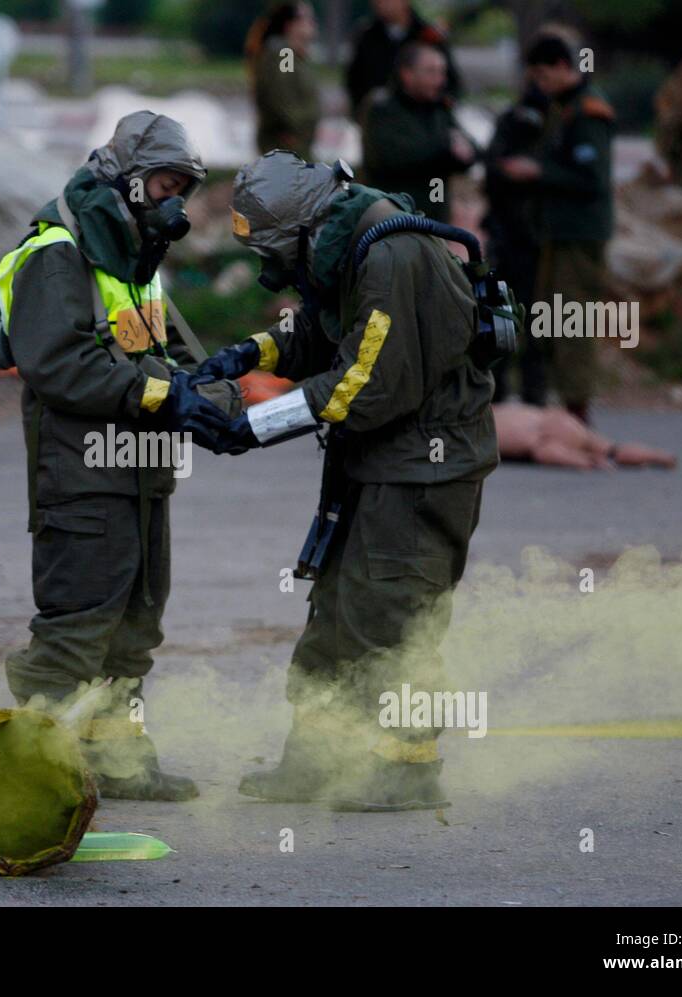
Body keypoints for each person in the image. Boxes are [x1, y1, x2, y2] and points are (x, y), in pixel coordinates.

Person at [196, 152, 496, 810]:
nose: (271, 269)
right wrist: (251, 354)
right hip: (378, 461)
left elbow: (369, 383)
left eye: (275, 251)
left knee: (392, 618)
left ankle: (408, 768)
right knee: (335, 615)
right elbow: (326, 330)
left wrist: (253, 424)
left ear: (305, 228)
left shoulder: (390, 256)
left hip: (422, 467)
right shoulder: (345, 244)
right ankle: (315, 762)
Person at [0, 111, 239, 801]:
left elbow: (168, 352)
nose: (175, 201)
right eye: (165, 183)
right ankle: (17, 776)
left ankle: (117, 759)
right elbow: (61, 365)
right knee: (75, 633)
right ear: (127, 178)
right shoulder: (59, 249)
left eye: (184, 188)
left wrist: (217, 396)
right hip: (82, 473)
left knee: (134, 628)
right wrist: (164, 396)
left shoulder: (133, 257)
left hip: (142, 474)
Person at [496, 33, 615, 423]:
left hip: (579, 236)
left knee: (573, 321)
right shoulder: (562, 108)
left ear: (564, 68)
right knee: (549, 319)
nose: (539, 87)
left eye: (544, 77)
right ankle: (559, 406)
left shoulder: (588, 112)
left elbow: (591, 178)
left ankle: (577, 410)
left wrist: (538, 172)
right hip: (554, 233)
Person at [360, 41, 476, 224]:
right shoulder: (383, 108)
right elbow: (393, 157)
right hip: (394, 215)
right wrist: (446, 149)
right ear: (407, 74)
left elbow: (469, 150)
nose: (440, 80)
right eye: (431, 71)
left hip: (435, 212)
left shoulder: (439, 108)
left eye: (441, 72)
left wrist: (462, 153)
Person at [484, 79, 548, 403]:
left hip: (539, 237)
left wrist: (537, 173)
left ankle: (533, 392)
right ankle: (499, 391)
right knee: (504, 316)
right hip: (509, 234)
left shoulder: (560, 121)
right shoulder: (512, 121)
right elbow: (492, 170)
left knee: (539, 318)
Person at [344, 0, 460, 116]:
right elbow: (355, 81)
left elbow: (450, 85)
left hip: (423, 119)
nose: (379, 4)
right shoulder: (366, 37)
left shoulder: (429, 36)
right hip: (379, 118)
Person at [494, 401, 676, 469]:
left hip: (549, 430)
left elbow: (544, 451)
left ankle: (597, 460)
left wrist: (582, 460)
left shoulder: (486, 425)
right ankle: (658, 455)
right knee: (610, 449)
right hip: (558, 419)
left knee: (604, 452)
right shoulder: (498, 412)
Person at [247, 2, 322, 161]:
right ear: (291, 25)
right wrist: (294, 128)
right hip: (286, 143)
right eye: (307, 19)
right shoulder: (284, 53)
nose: (313, 23)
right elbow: (282, 95)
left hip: (294, 143)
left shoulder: (293, 54)